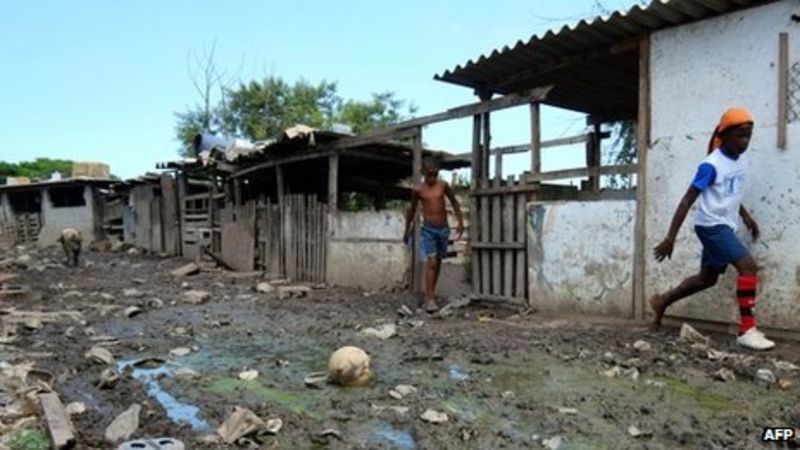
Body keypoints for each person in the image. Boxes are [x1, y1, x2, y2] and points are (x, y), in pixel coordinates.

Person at [650, 107, 774, 350]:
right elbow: (687, 199)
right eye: (740, 136)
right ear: (724, 135)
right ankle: (747, 330)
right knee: (748, 267)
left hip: (724, 225)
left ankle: (662, 302)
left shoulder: (739, 160)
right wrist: (670, 238)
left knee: (707, 279)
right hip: (711, 227)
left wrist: (745, 216)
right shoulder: (710, 165)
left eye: (749, 136)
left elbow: (729, 194)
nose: (745, 142)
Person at [404, 157, 464, 313]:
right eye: (429, 174)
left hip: (443, 229)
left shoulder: (443, 186)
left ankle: (431, 294)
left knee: (437, 262)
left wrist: (460, 222)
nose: (432, 177)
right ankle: (430, 299)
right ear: (423, 172)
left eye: (435, 174)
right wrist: (407, 229)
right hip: (428, 229)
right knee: (431, 261)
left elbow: (455, 202)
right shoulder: (418, 190)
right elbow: (411, 210)